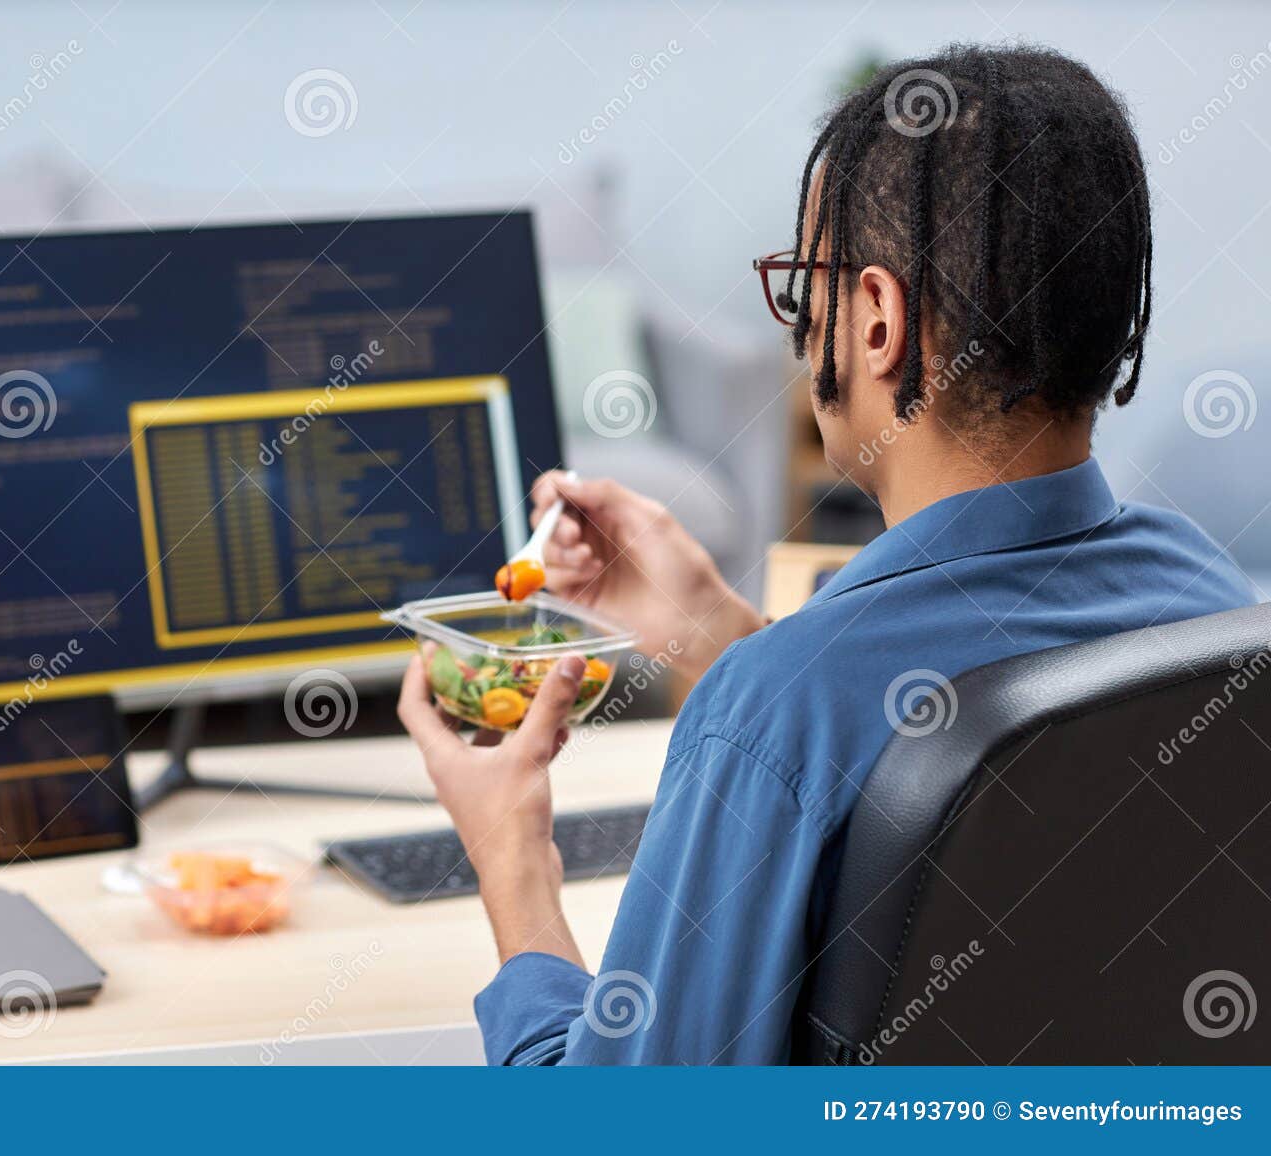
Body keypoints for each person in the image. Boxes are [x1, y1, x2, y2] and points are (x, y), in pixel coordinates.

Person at [395, 43, 1257, 1064]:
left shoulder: (780, 708)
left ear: (878, 322)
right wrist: (723, 638)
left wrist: (512, 854)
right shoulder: (1212, 603)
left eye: (808, 285)